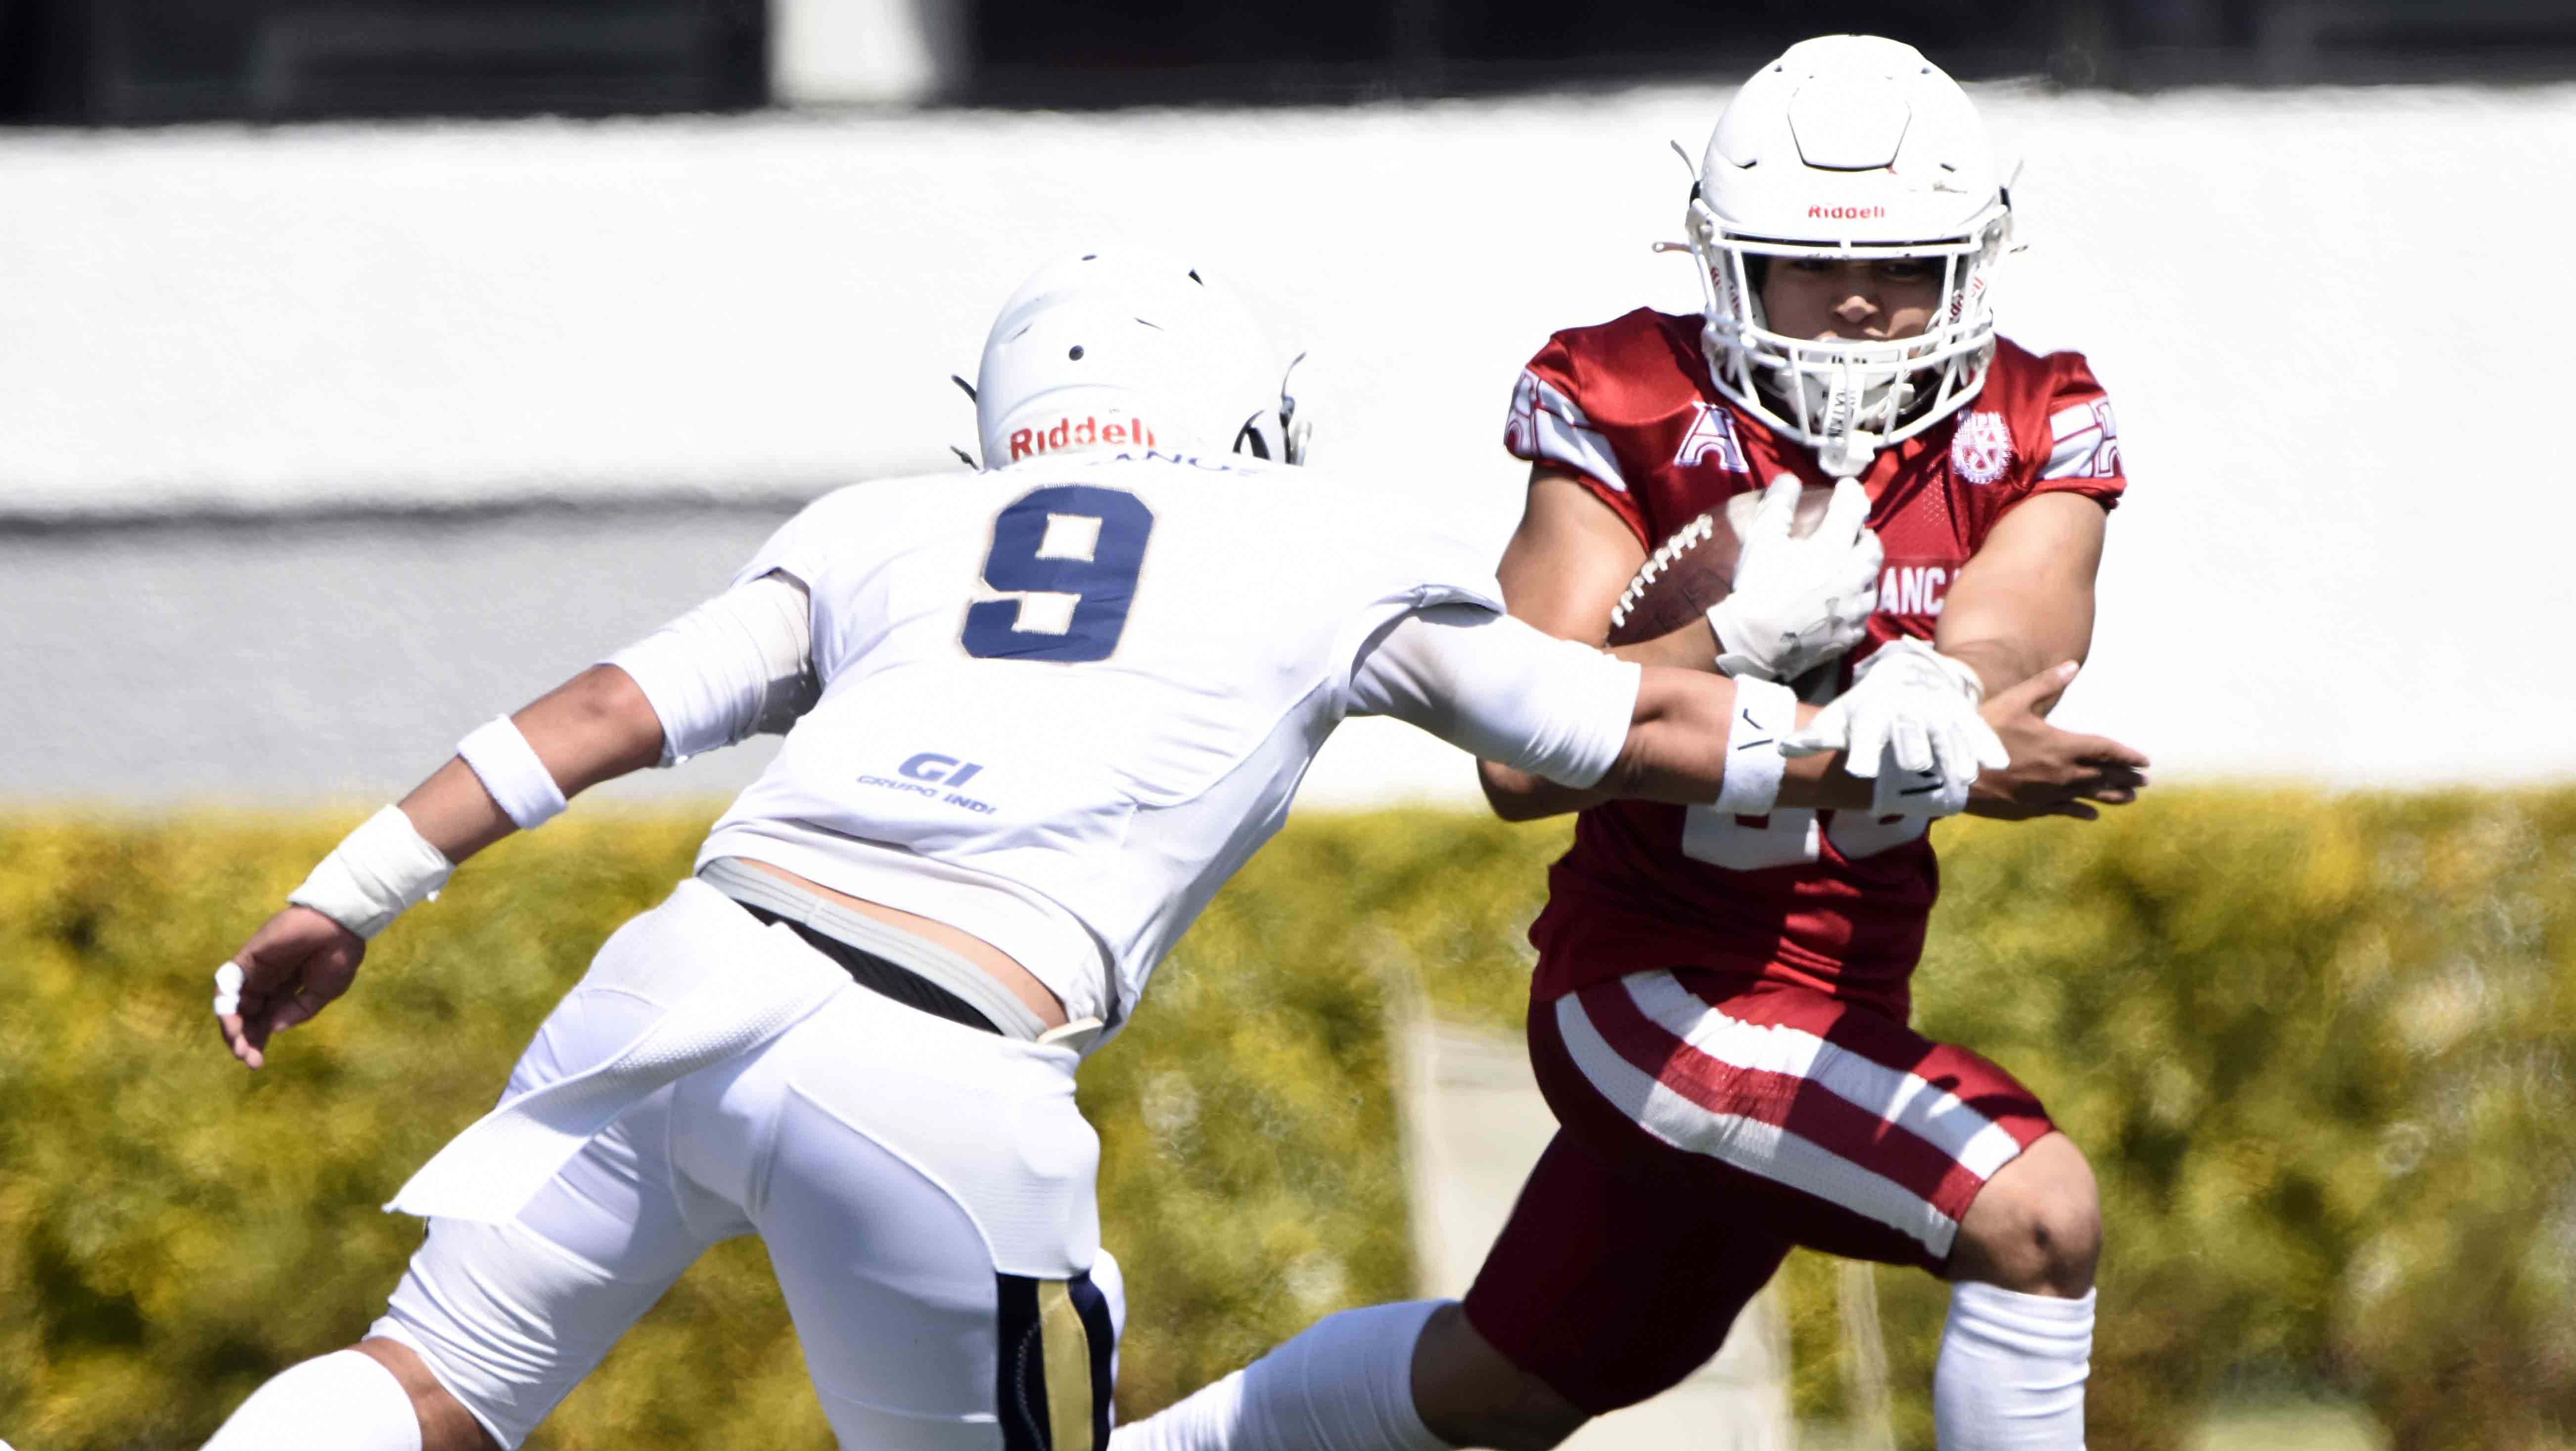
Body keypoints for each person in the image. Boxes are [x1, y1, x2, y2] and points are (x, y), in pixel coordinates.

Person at [194, 246, 2092, 1451]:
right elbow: (1612, 731)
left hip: (686, 980)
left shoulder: (882, 527)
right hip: (939, 1063)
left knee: (421, 1388)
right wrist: (1853, 728)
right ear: (1241, 415)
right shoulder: (1314, 542)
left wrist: (345, 890)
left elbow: (604, 713)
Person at [1113, 35, 2147, 1451]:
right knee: (2036, 1212)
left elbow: (2018, 622)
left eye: (1908, 269)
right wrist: (1719, 639)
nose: (1860, 305)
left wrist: (1946, 689)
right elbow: (1519, 752)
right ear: (1727, 264)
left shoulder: (2032, 415)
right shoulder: (1632, 400)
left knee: (1510, 1383)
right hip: (1650, 996)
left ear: (1973, 266)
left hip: (1830, 1007)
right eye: (1812, 265)